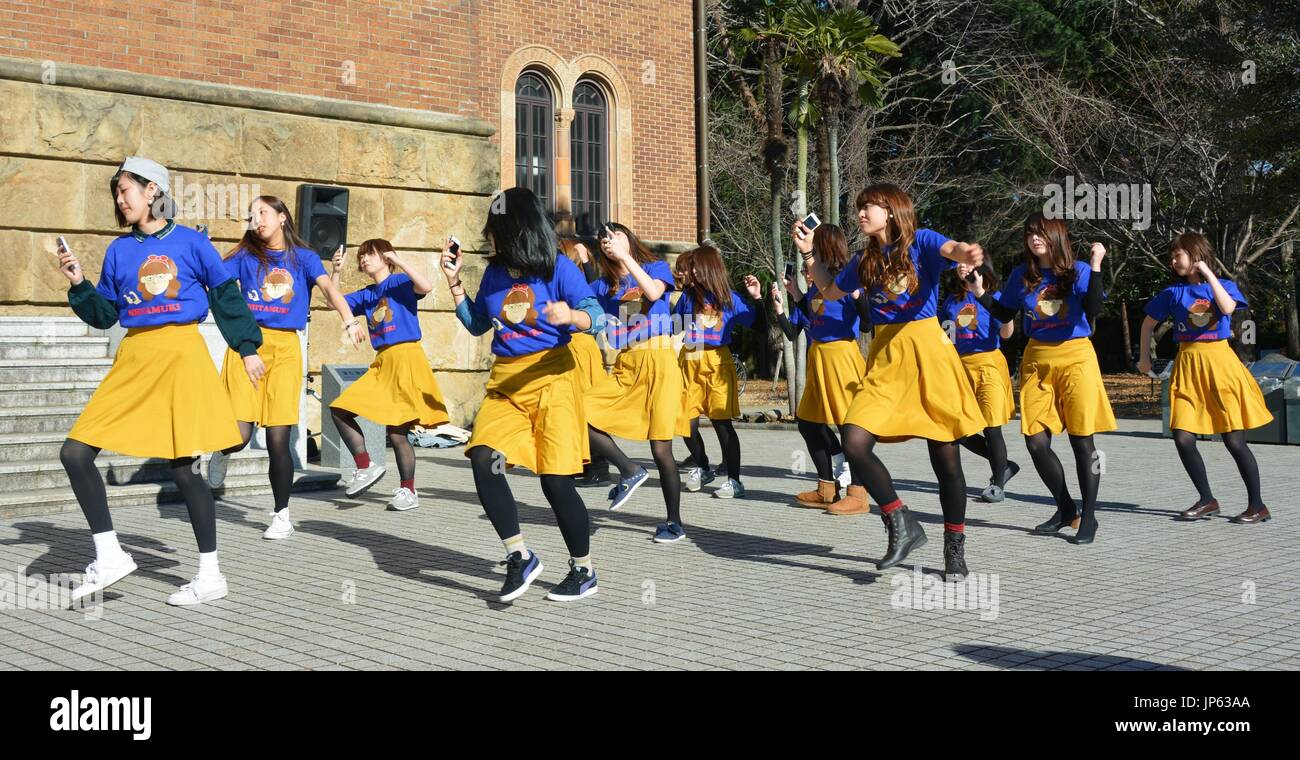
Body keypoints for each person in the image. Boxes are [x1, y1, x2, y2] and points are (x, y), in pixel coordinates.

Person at [58, 156, 263, 606]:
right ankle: (109, 553)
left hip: (181, 354)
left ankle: (210, 575)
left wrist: (247, 348)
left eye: (125, 190)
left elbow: (226, 297)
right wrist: (79, 284)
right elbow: (106, 314)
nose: (119, 199)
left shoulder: (192, 243)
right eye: (116, 192)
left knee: (183, 469)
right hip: (134, 356)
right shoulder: (118, 250)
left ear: (153, 191)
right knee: (75, 452)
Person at [800, 183, 986, 580]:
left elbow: (951, 249)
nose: (862, 213)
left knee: (946, 460)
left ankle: (954, 547)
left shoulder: (921, 242)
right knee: (854, 439)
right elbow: (830, 292)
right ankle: (900, 521)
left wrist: (966, 252)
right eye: (860, 207)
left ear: (893, 210)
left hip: (929, 354)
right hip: (885, 359)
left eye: (870, 206)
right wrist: (808, 254)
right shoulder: (864, 260)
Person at [443, 187, 604, 602]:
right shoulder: (495, 274)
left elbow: (599, 317)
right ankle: (520, 556)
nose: (489, 237)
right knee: (483, 457)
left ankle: (583, 570)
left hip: (554, 377)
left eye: (496, 229)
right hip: (507, 383)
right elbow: (479, 324)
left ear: (518, 229)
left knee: (555, 482)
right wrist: (455, 284)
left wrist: (573, 315)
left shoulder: (558, 269)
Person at [209, 196, 366, 539]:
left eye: (263, 212)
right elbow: (216, 281)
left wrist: (349, 320)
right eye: (252, 215)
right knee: (239, 435)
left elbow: (328, 289)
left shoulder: (305, 258)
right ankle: (222, 452)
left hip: (286, 349)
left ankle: (281, 515)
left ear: (282, 217)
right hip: (248, 345)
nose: (257, 219)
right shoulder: (244, 256)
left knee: (278, 439)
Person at [972, 213, 1115, 544]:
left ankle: (1089, 517)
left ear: (1056, 235)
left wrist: (1095, 265)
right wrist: (980, 294)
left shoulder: (1078, 270)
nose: (1034, 239)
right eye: (1030, 234)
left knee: (1083, 441)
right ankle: (1066, 509)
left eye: (1041, 233)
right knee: (1035, 441)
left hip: (1076, 357)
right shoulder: (1023, 275)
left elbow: (1094, 307)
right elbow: (1005, 314)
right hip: (1038, 359)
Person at [1138, 232, 1273, 524]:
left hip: (1221, 365)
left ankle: (1257, 505)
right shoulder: (1173, 293)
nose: (1174, 261)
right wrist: (1145, 356)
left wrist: (1208, 273)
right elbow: (1148, 323)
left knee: (1234, 441)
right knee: (1182, 437)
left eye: (1179, 255)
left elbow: (1227, 309)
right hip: (1188, 365)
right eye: (1172, 256)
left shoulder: (1223, 286)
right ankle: (1207, 499)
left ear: (1196, 254)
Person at [328, 239, 450, 511]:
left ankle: (408, 491)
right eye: (361, 256)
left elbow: (426, 286)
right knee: (339, 409)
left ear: (385, 256)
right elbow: (334, 302)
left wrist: (400, 258)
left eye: (369, 254)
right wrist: (335, 271)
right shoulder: (369, 293)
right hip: (382, 361)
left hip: (406, 358)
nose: (363, 260)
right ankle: (365, 466)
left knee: (397, 433)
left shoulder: (398, 283)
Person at [673, 245, 763, 499]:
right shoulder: (688, 297)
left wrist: (757, 298)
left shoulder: (730, 299)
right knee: (685, 424)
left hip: (717, 362)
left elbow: (758, 325)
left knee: (721, 424)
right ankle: (703, 467)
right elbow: (673, 326)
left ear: (709, 268)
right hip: (689, 359)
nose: (691, 271)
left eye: (695, 267)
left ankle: (734, 480)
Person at [938, 262, 1021, 502]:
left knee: (991, 427)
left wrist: (1001, 308)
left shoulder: (994, 296)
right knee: (958, 429)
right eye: (959, 264)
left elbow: (1006, 334)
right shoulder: (951, 302)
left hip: (988, 365)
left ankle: (997, 484)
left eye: (969, 263)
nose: (963, 267)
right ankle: (1004, 466)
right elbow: (948, 339)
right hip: (961, 367)